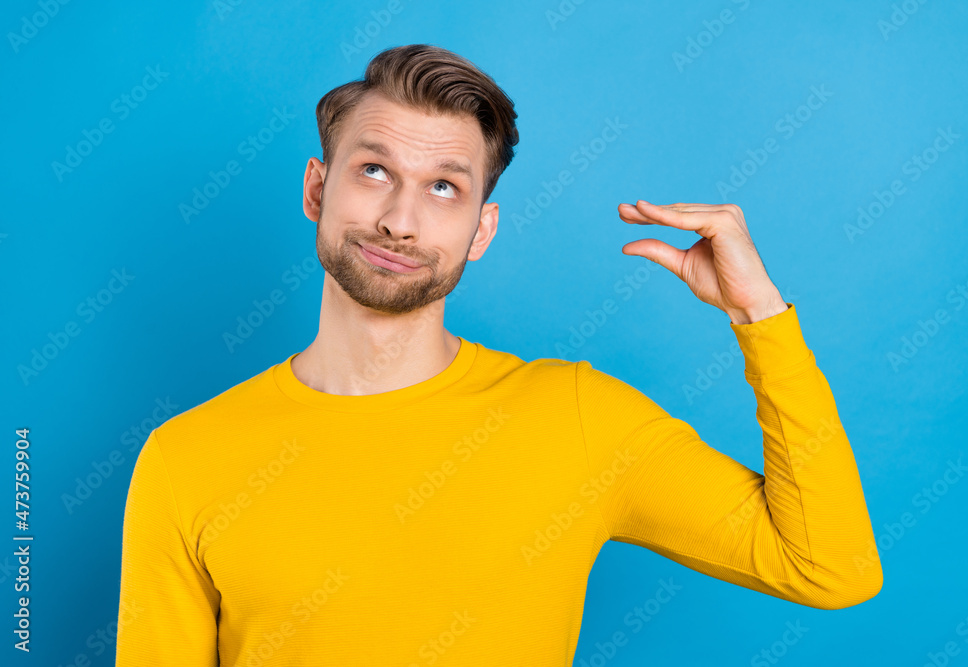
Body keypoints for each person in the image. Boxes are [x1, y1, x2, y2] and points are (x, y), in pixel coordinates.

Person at [115, 43, 882, 666]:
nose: (401, 220)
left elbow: (829, 566)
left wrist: (760, 315)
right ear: (318, 188)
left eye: (445, 187)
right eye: (373, 170)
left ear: (481, 231)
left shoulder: (576, 418)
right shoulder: (185, 458)